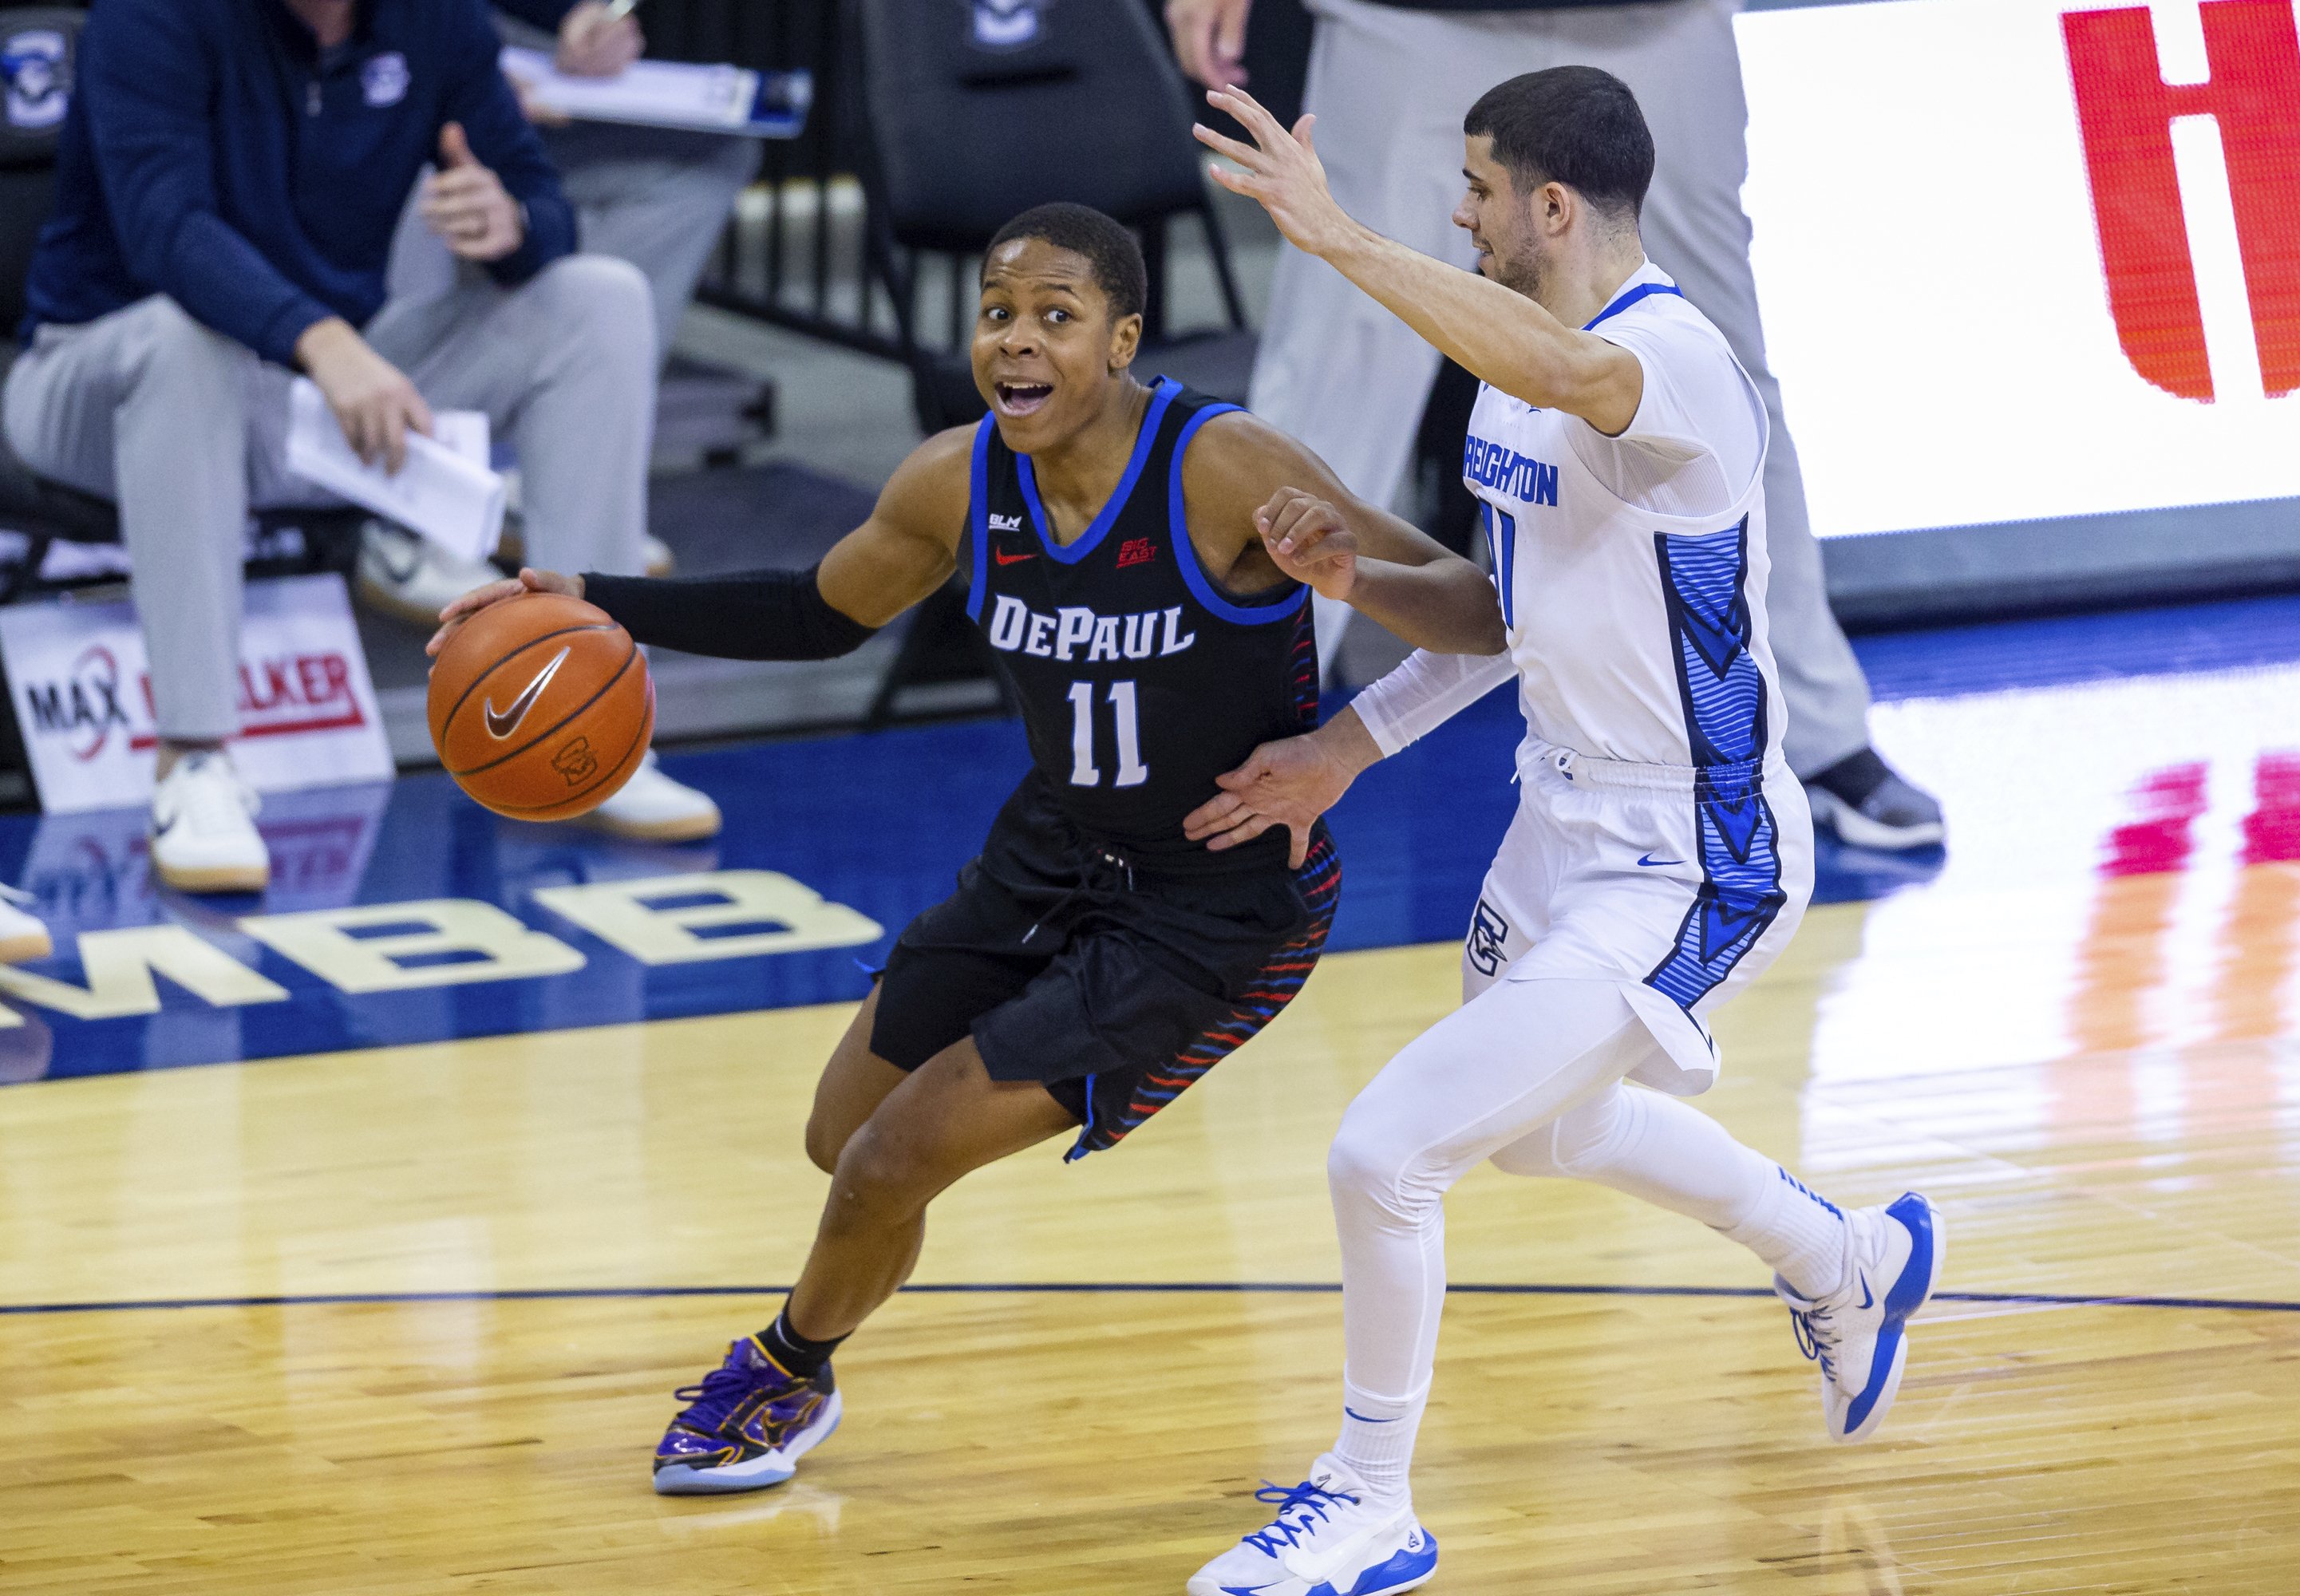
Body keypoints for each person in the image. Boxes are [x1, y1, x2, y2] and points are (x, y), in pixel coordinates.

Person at [426, 202, 1503, 1496]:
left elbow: (1482, 613)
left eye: (1057, 316)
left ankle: (782, 1371)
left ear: (1122, 340)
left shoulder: (1221, 466)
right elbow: (819, 615)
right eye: (997, 314)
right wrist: (585, 597)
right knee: (846, 1141)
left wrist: (1352, 597)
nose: (1017, 342)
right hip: (1050, 852)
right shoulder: (956, 479)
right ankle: (842, 1290)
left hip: (1212, 905)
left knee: (892, 1159)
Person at [1177, 73, 1946, 1594]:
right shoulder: (1511, 373)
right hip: (1559, 820)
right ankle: (1847, 1258)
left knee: (1383, 1155)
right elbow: (1506, 616)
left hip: (1695, 853)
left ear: (1551, 207)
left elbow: (1588, 376)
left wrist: (1332, 240)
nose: (1455, 215)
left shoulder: (1673, 360)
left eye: (1474, 189)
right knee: (1545, 1128)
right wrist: (1352, 678)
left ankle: (1369, 1500)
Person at [1164, 0, 1946, 853]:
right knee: (1332, 365)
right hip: (1409, 23)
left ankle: (1818, 728)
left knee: (1717, 367)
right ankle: (1214, 745)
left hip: (1655, 27)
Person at [2, 0, 720, 890]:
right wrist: (321, 341)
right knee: (184, 341)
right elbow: (166, 231)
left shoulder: (437, 21)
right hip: (93, 377)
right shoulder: (151, 17)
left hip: (315, 383)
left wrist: (512, 224)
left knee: (597, 298)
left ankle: (588, 719)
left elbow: (540, 197)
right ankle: (193, 760)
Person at [370, 0, 761, 610]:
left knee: (633, 254)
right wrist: (451, 72)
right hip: (364, 61)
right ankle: (402, 499)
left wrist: (592, 10)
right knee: (426, 157)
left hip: (499, 49)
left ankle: (544, 472)